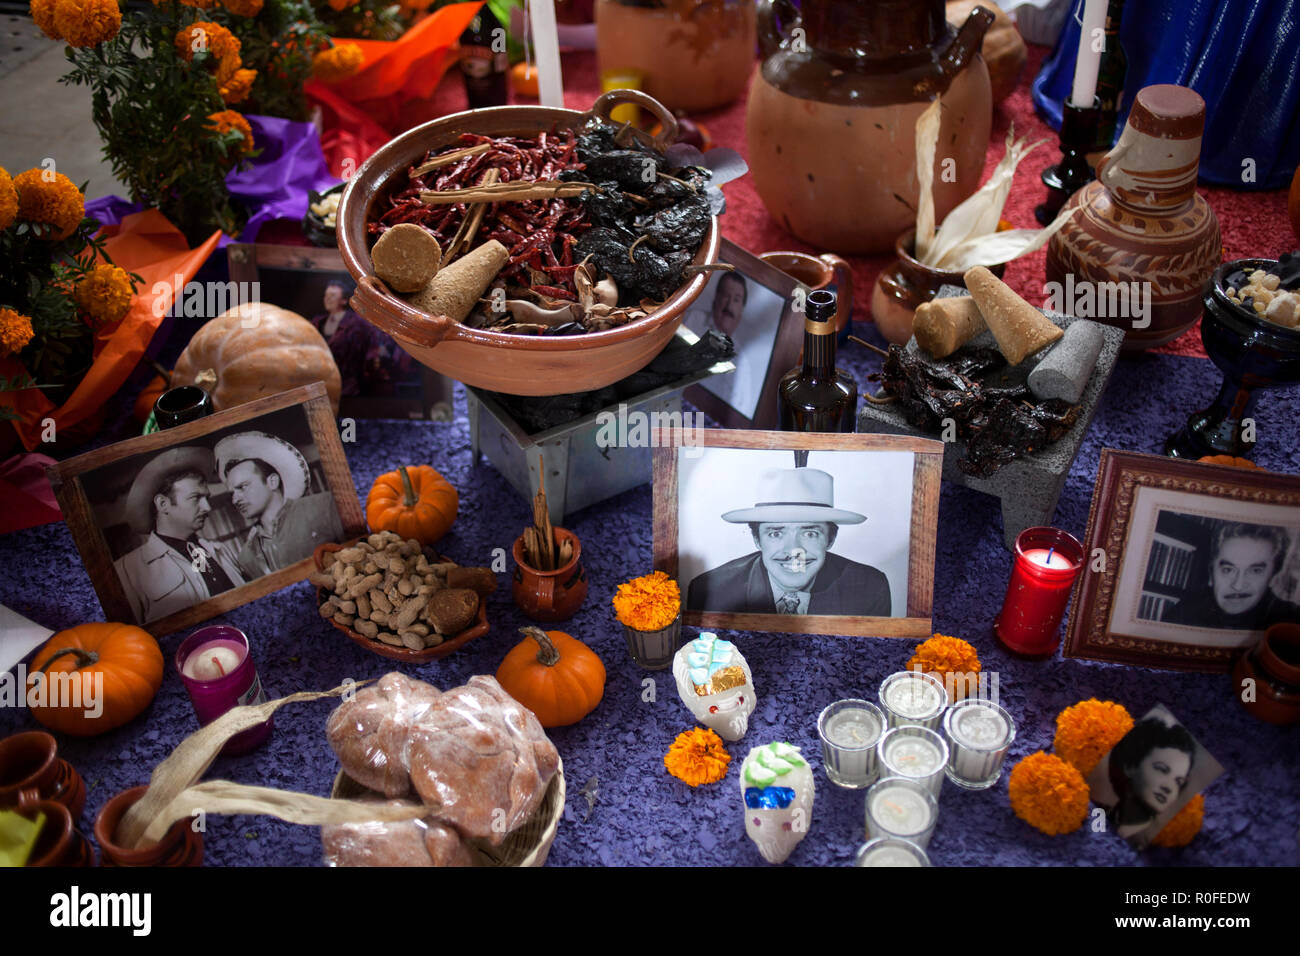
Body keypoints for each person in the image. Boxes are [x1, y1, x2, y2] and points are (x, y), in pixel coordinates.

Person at [686, 467, 891, 616]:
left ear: (831, 538)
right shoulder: (711, 592)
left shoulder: (869, 589)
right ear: (757, 539)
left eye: (810, 533)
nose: (794, 550)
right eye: (776, 533)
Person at [113, 446, 246, 625]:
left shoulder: (220, 550)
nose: (207, 507)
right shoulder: (126, 571)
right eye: (195, 498)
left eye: (206, 498)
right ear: (163, 504)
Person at [213, 431, 344, 578]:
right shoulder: (247, 557)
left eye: (242, 487)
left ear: (272, 482)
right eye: (232, 493)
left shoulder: (325, 507)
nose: (235, 500)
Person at [1161, 523, 1300, 629]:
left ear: (1273, 576)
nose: (1238, 585)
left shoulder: (1291, 622)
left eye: (1255, 571)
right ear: (1211, 574)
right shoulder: (1184, 613)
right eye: (1228, 570)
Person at [684, 272, 769, 419]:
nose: (729, 305)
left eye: (736, 300)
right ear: (716, 298)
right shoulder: (691, 319)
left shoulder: (743, 361)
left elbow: (740, 412)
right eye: (725, 296)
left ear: (742, 309)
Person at [1106, 717, 1197, 843]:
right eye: (1162, 770)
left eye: (1178, 782)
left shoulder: (1155, 845)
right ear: (1131, 766)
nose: (1169, 787)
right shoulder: (1102, 814)